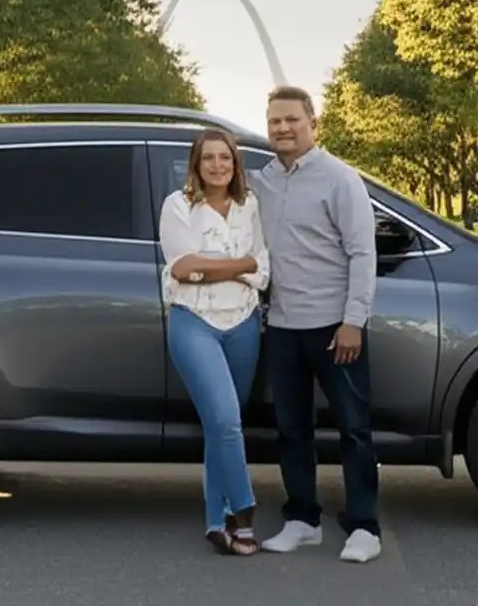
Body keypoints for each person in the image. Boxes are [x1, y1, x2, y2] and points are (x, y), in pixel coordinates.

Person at [250, 85, 382, 563]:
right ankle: (303, 519)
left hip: (335, 326)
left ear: (312, 124)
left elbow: (362, 253)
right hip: (282, 326)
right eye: (274, 122)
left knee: (353, 429)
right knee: (291, 430)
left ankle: (365, 526)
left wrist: (353, 320)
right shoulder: (261, 181)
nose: (282, 129)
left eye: (291, 120)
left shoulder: (339, 179)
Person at [159, 129, 270, 556]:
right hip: (195, 323)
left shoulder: (250, 208)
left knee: (221, 427)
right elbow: (183, 268)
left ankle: (213, 521)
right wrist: (239, 264)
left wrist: (218, 266)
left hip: (243, 324)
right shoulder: (178, 206)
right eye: (209, 158)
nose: (218, 165)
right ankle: (242, 512)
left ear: (235, 163)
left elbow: (262, 272)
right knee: (226, 421)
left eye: (226, 158)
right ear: (196, 163)